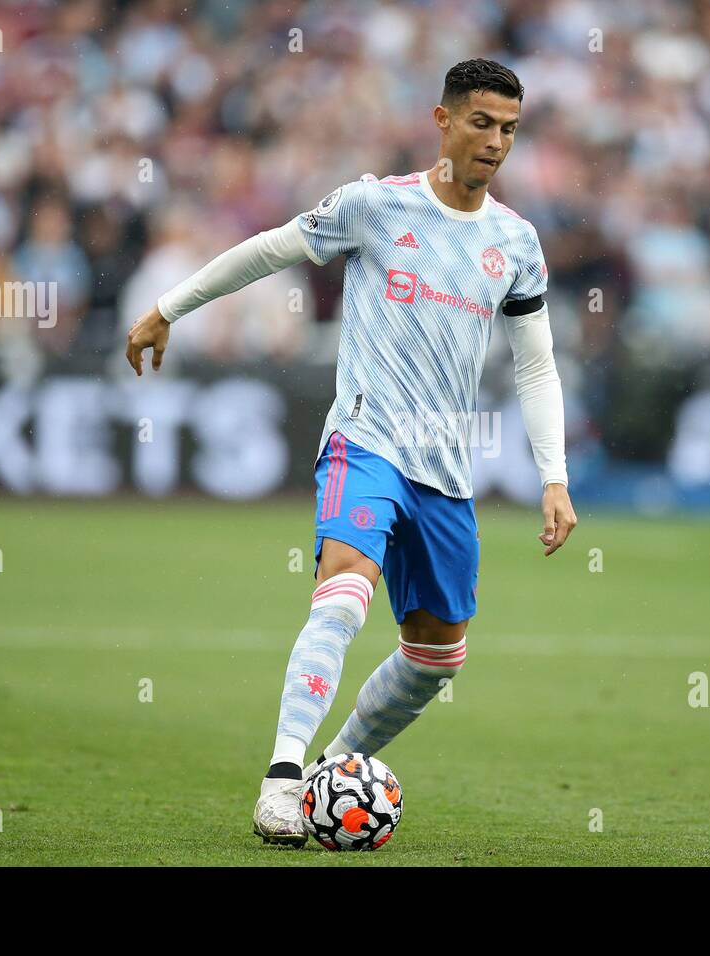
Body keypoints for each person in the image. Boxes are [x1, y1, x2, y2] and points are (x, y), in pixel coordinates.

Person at [125, 58, 577, 846]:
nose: (496, 141)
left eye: (508, 128)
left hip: (443, 463)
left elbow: (536, 363)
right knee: (346, 586)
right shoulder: (375, 205)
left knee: (438, 657)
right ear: (442, 121)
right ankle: (283, 775)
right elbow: (271, 250)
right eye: (481, 122)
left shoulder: (515, 242)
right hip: (364, 437)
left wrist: (555, 477)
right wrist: (168, 306)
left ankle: (335, 767)